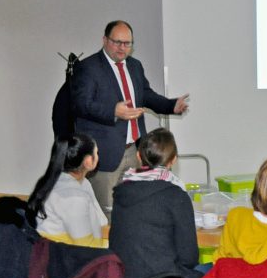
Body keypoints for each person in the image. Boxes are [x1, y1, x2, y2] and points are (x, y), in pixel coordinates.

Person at [70, 20, 190, 213]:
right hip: (105, 155)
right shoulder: (88, 67)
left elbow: (146, 95)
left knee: (133, 210)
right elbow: (80, 104)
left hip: (135, 151)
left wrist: (171, 105)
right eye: (117, 42)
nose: (122, 48)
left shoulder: (135, 66)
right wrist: (113, 111)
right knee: (107, 214)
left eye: (127, 43)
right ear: (104, 40)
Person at [109, 129, 206, 278]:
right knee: (211, 273)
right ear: (173, 160)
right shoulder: (175, 196)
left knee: (186, 273)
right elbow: (189, 258)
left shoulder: (120, 193)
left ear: (139, 157)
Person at [26, 133, 106, 247]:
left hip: (63, 248)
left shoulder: (70, 182)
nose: (98, 156)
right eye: (96, 153)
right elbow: (85, 246)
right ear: (88, 161)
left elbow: (102, 222)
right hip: (61, 252)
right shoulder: (72, 197)